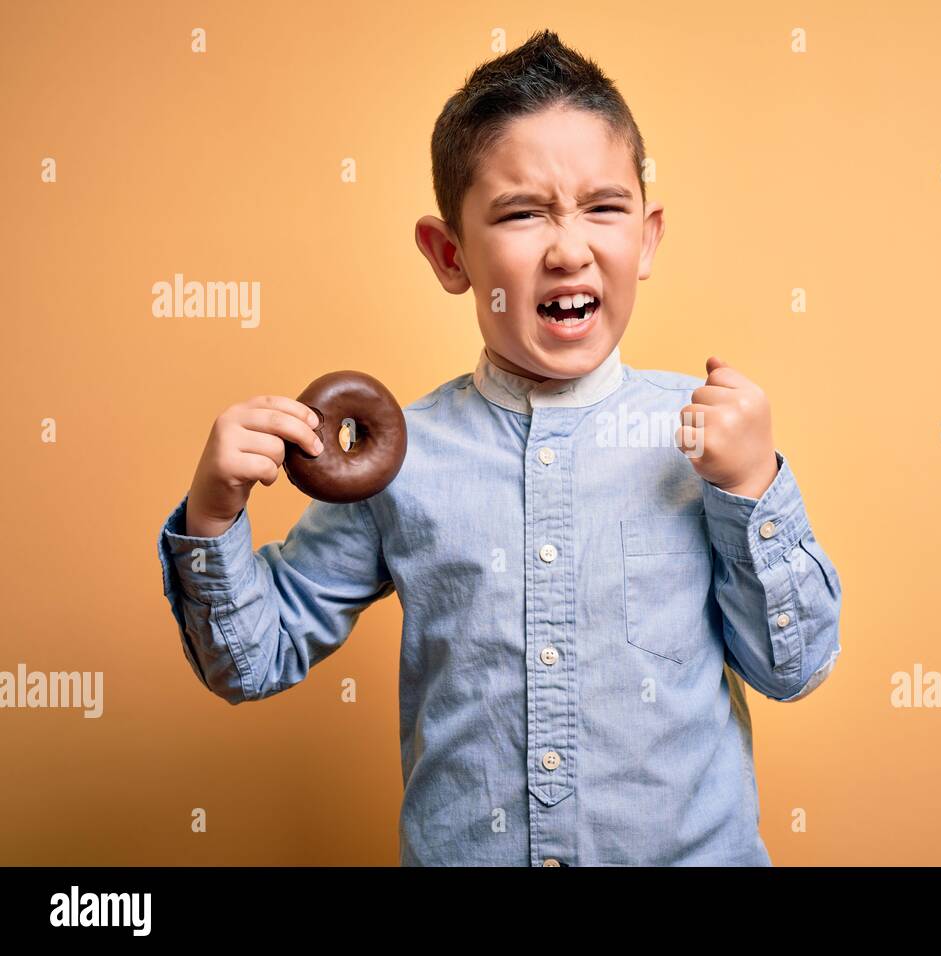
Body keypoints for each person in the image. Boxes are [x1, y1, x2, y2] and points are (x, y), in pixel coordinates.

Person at [157, 28, 842, 866]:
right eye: (522, 214)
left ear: (648, 238)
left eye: (604, 207)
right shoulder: (399, 460)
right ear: (451, 254)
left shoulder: (705, 440)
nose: (568, 249)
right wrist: (214, 509)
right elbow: (251, 660)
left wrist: (752, 487)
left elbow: (794, 668)